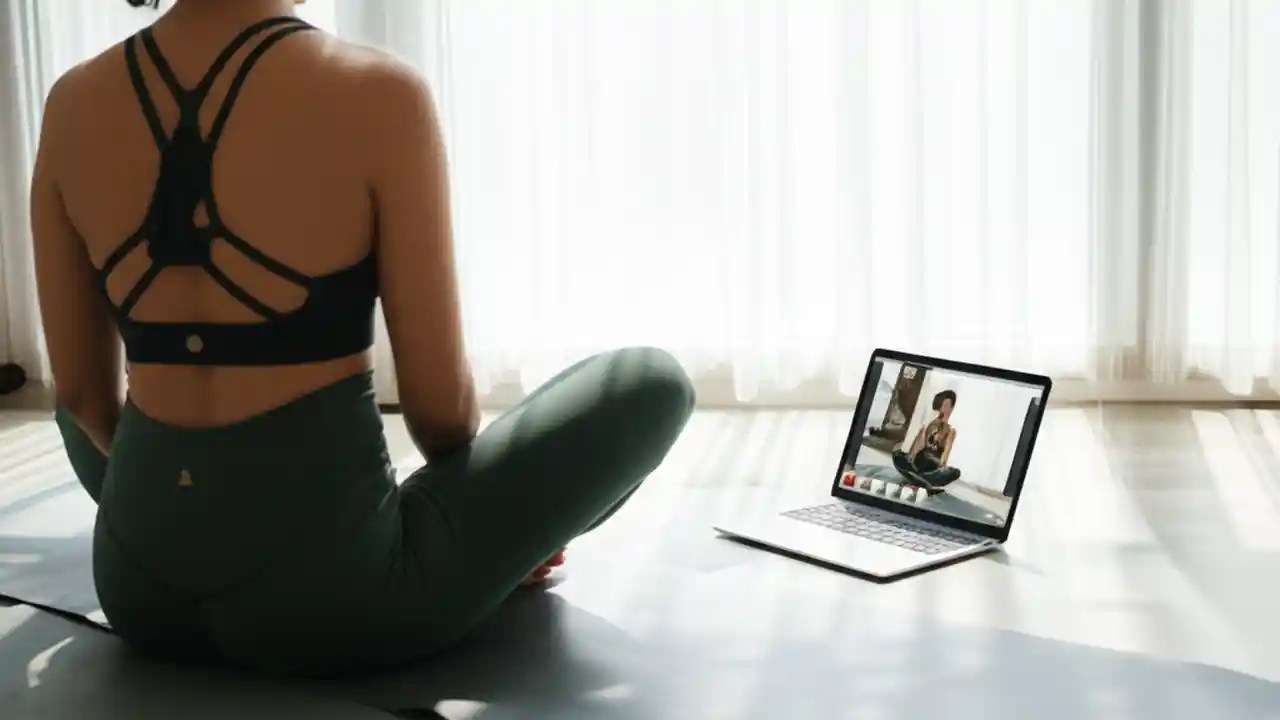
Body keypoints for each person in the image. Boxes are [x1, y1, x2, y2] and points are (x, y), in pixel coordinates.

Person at [30, 0, 693, 676]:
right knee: (652, 382)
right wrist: (499, 531)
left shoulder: (72, 99)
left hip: (140, 591)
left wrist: (191, 490)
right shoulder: (378, 92)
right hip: (341, 603)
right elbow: (440, 418)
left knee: (121, 412)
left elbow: (81, 397)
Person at [891, 390, 960, 495]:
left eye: (946, 405)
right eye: (942, 404)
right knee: (902, 454)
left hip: (933, 464)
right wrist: (910, 456)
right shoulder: (931, 422)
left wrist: (942, 466)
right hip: (920, 459)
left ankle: (923, 478)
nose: (943, 408)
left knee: (953, 471)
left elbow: (946, 450)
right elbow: (920, 441)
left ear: (951, 407)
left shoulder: (950, 430)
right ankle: (915, 474)